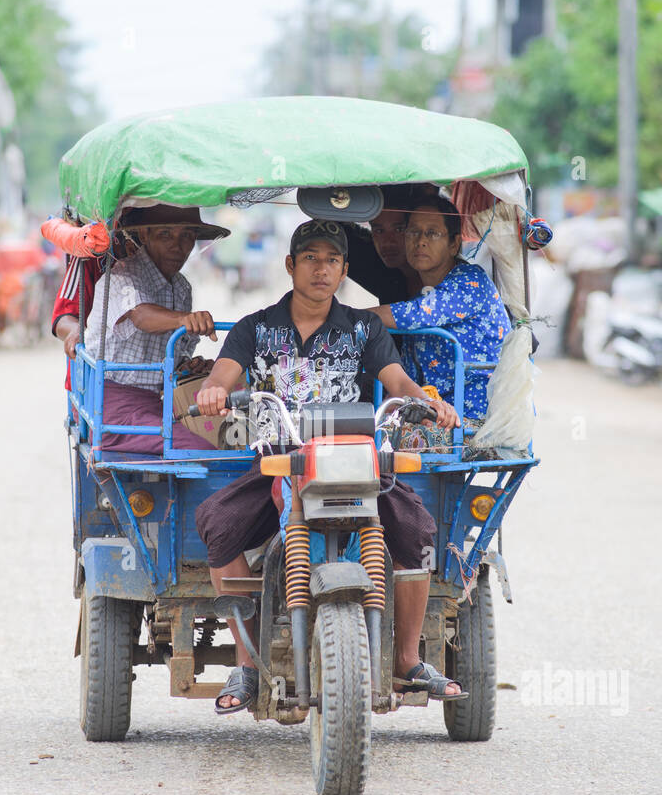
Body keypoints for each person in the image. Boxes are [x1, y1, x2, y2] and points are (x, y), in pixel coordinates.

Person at [192, 219, 464, 713]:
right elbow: (222, 376)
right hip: (282, 462)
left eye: (333, 261)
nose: (323, 270)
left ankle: (405, 659)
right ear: (291, 264)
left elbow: (398, 381)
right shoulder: (256, 327)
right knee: (217, 523)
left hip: (356, 462)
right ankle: (248, 664)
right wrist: (214, 392)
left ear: (343, 270)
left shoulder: (365, 327)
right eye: (312, 259)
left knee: (421, 532)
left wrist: (427, 401)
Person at [82, 204, 226, 455]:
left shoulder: (181, 288)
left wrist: (187, 367)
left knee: (237, 437)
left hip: (160, 403)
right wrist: (185, 319)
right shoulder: (120, 277)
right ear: (146, 235)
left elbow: (176, 356)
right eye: (166, 235)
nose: (177, 246)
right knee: (202, 449)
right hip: (112, 410)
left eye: (187, 236)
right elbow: (141, 316)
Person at [365, 196, 512, 422]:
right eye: (413, 232)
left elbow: (415, 314)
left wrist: (349, 316)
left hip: (478, 419)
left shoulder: (471, 282)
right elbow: (408, 377)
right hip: (437, 415)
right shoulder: (422, 295)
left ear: (454, 244)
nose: (421, 241)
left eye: (432, 233)